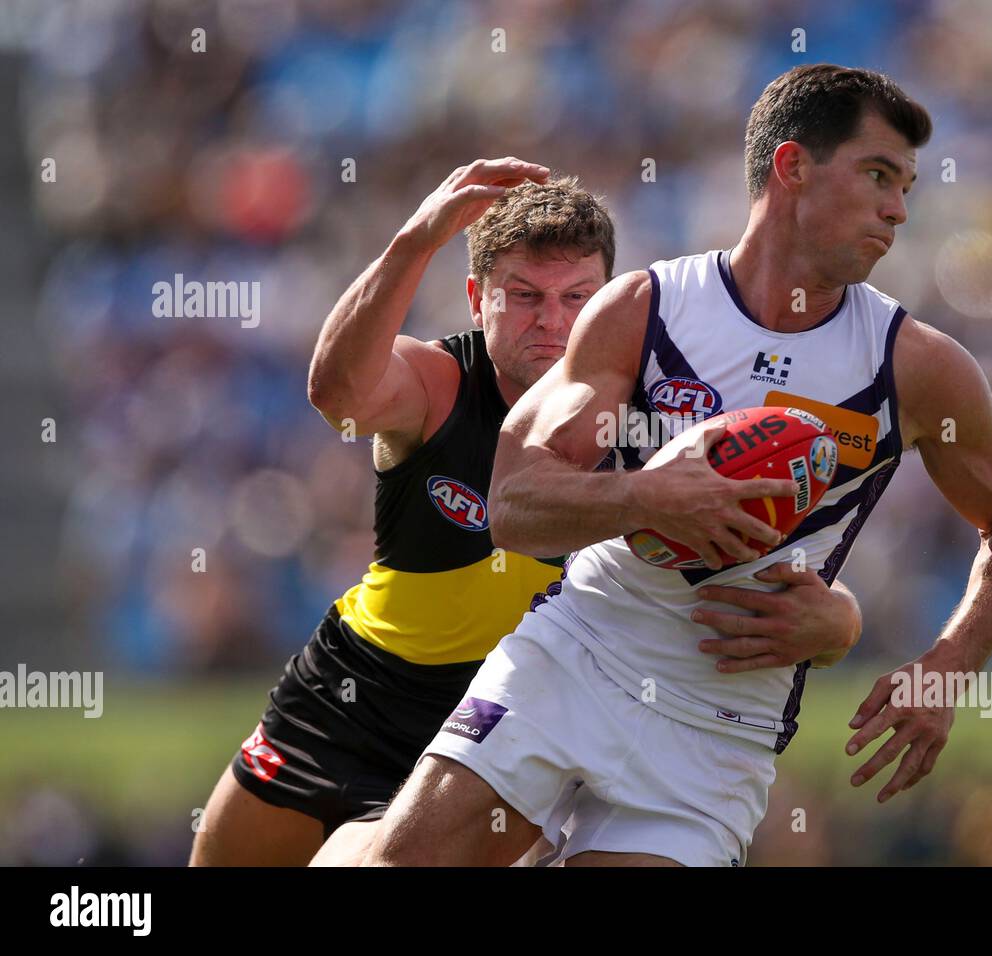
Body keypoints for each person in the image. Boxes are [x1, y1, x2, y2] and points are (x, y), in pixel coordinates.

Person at [364, 64, 992, 868]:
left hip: (719, 725)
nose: (898, 210)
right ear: (792, 167)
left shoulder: (913, 365)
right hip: (578, 657)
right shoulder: (646, 310)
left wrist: (948, 666)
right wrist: (651, 497)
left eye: (905, 186)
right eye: (877, 176)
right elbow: (516, 502)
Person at [191, 159, 863, 866]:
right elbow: (338, 394)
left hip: (513, 721)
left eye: (577, 296)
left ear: (609, 299)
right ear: (477, 296)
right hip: (356, 693)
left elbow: (763, 543)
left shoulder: (658, 420)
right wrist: (416, 241)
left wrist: (841, 619)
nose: (553, 321)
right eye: (524, 296)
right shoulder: (443, 384)